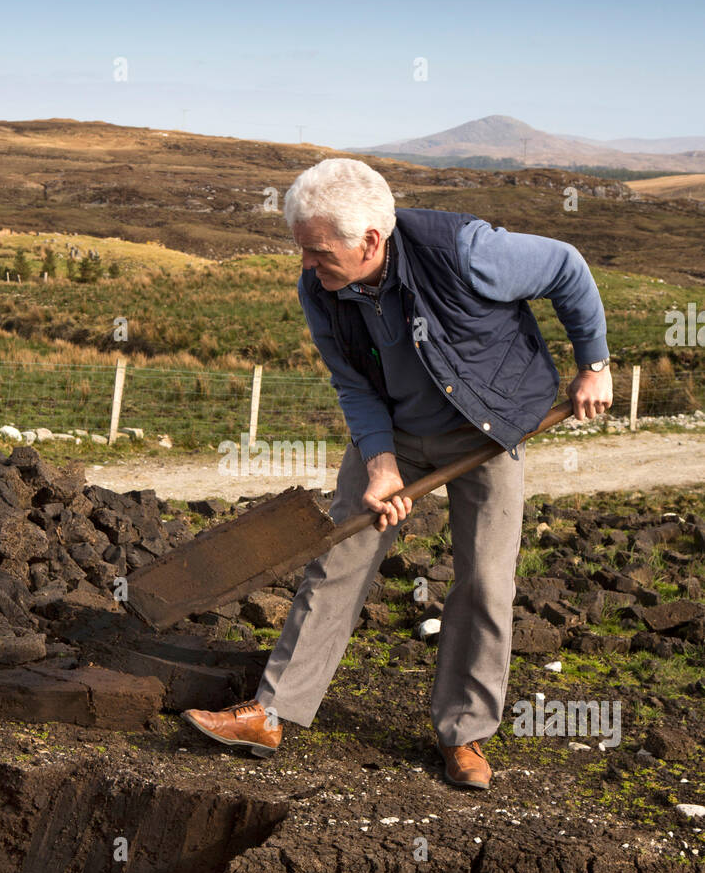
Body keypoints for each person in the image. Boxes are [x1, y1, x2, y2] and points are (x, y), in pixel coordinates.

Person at [182, 158, 612, 791]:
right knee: (338, 557)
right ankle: (272, 712)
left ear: (371, 242)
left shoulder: (466, 251)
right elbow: (352, 382)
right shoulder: (322, 288)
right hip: (396, 431)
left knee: (485, 582)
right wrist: (380, 462)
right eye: (302, 250)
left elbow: (566, 267)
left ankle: (463, 736)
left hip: (486, 429)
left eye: (318, 252)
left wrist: (594, 363)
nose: (307, 265)